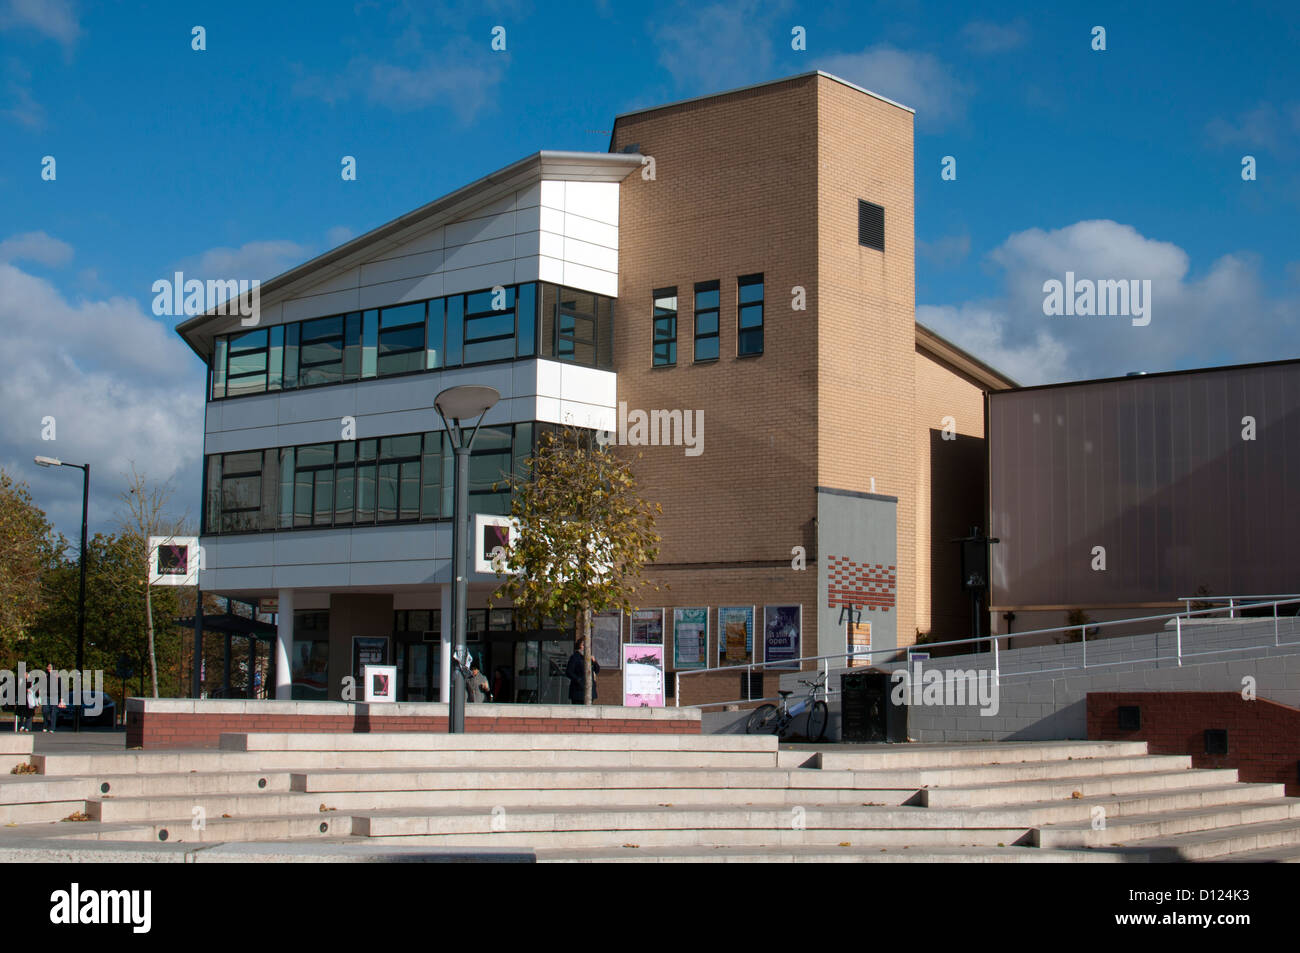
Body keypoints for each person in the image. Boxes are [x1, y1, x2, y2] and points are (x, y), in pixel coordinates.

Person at [565, 637, 601, 704]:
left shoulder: (589, 657)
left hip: (590, 691)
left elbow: (597, 670)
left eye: (587, 645)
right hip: (578, 691)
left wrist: (594, 661)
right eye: (583, 645)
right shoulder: (575, 657)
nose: (585, 647)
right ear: (579, 646)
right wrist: (579, 680)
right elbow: (569, 672)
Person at [43, 664, 57, 732]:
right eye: (47, 667)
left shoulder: (56, 676)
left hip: (54, 696)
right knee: (45, 711)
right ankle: (45, 725)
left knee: (53, 713)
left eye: (50, 667)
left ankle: (52, 728)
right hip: (46, 696)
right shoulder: (45, 676)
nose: (48, 668)